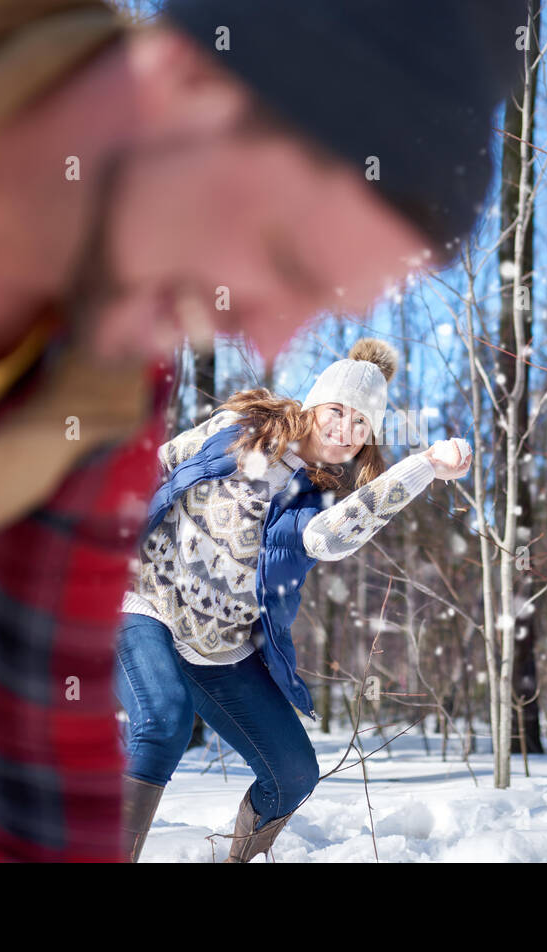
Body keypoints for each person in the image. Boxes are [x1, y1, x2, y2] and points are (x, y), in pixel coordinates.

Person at [0, 0, 523, 860]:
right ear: (199, 88)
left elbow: (42, 696)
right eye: (289, 258)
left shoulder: (107, 386)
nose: (273, 339)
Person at [115, 338, 471, 862]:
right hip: (144, 602)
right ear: (312, 404)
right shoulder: (234, 433)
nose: (344, 430)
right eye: (337, 411)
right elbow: (158, 466)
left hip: (220, 646)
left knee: (292, 771)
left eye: (360, 424)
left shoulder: (318, 495)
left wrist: (422, 468)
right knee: (162, 723)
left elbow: (331, 538)